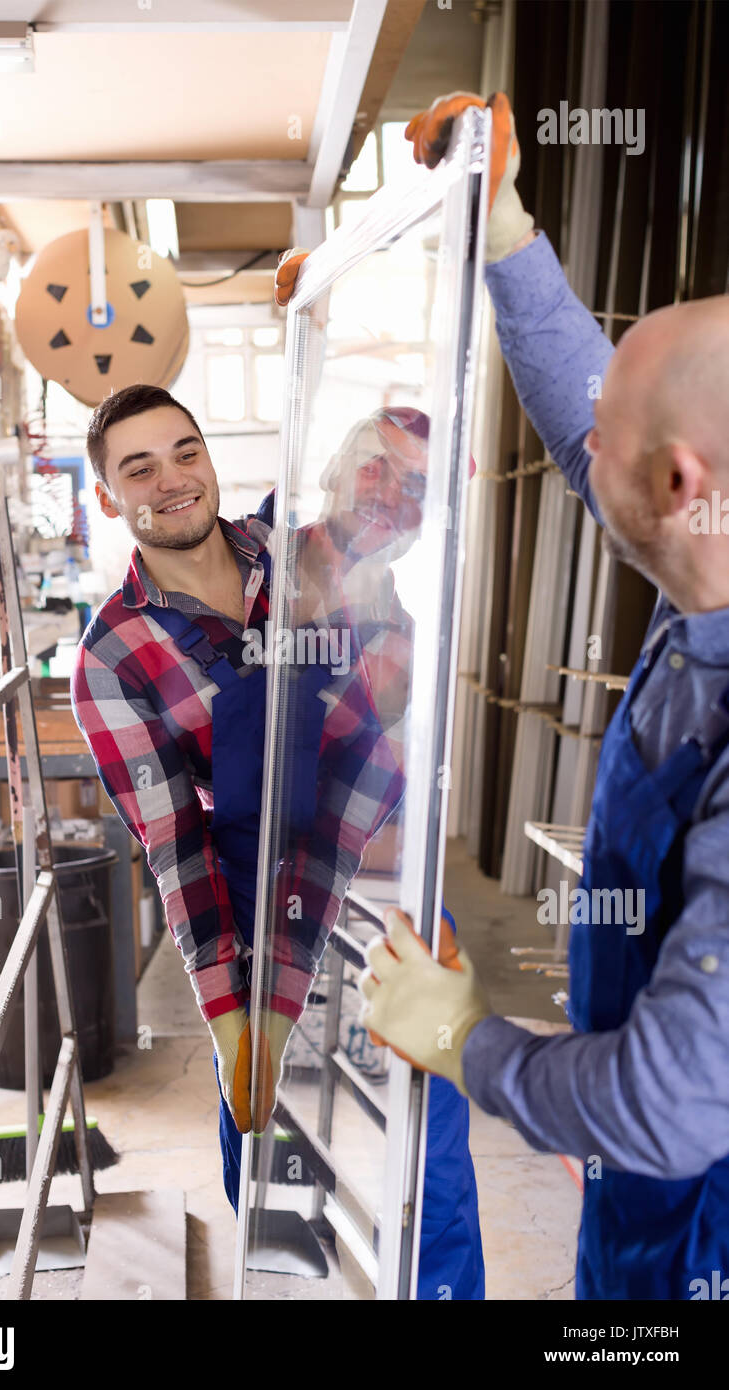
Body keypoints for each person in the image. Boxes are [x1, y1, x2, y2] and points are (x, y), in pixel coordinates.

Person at [353, 90, 729, 1301]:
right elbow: (591, 421)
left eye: (603, 433)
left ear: (676, 479)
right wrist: (506, 231)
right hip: (647, 1198)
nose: (578, 443)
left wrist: (467, 1037)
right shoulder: (703, 560)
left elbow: (668, 1105)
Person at [71, 389, 484, 1298]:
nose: (173, 479)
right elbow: (174, 842)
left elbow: (394, 522)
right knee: (277, 1199)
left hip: (383, 899)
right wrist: (233, 1028)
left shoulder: (306, 553)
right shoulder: (114, 657)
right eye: (139, 468)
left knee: (426, 1170)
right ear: (107, 498)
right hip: (252, 924)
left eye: (186, 451)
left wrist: (395, 456)